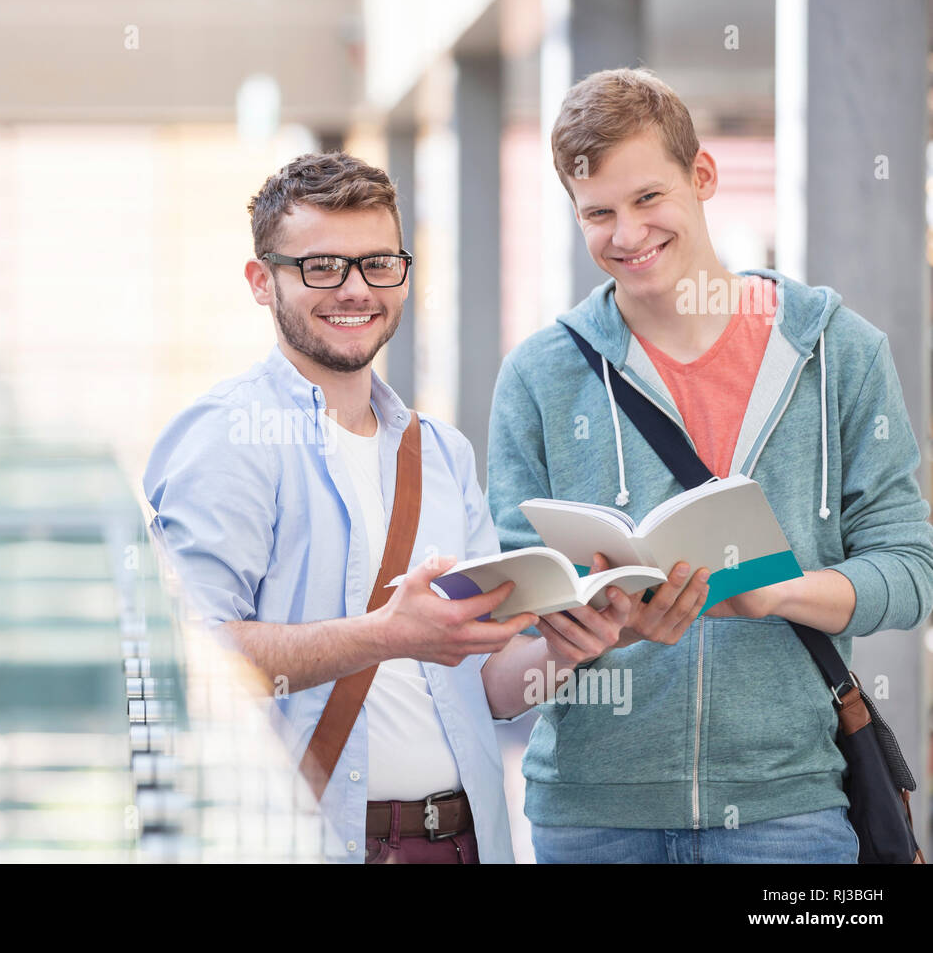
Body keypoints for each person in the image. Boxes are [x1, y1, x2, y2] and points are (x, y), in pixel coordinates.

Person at [142, 152, 700, 863]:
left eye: (378, 264)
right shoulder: (227, 437)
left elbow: (485, 692)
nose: (354, 290)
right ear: (262, 280)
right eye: (321, 267)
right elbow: (192, 662)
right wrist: (383, 635)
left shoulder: (439, 453)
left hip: (463, 844)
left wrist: (572, 645)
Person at [487, 68, 933, 863]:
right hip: (592, 819)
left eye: (648, 199)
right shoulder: (538, 376)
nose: (626, 235)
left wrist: (778, 595)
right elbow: (504, 659)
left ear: (703, 176)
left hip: (788, 813)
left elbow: (911, 573)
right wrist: (582, 636)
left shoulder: (840, 352)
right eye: (598, 213)